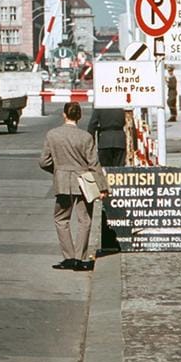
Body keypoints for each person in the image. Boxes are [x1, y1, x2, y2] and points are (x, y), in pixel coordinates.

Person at [39, 102, 109, 271]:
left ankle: (68, 257)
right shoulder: (86, 137)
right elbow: (94, 164)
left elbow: (43, 161)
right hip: (83, 181)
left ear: (64, 114)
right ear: (79, 116)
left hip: (62, 180)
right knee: (84, 219)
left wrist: (57, 170)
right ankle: (80, 257)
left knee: (61, 219)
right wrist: (102, 186)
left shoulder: (53, 135)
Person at [87, 107, 126, 253]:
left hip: (104, 140)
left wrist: (89, 143)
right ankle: (117, 193)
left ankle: (107, 195)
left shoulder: (101, 107)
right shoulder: (121, 106)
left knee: (106, 172)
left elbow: (92, 125)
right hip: (120, 139)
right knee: (119, 171)